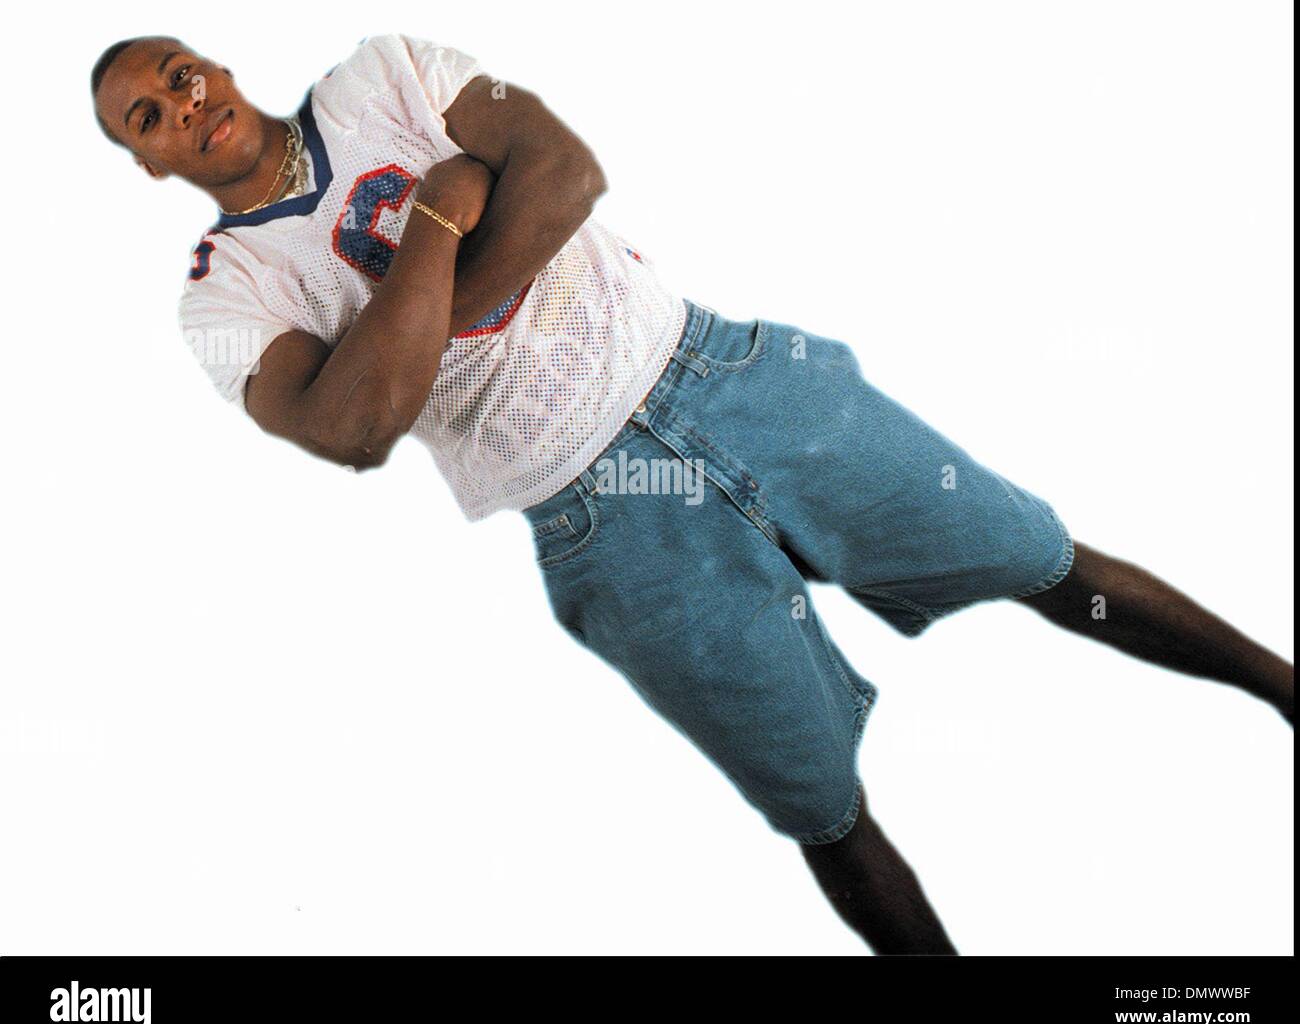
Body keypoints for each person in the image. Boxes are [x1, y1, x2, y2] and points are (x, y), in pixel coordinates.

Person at [91, 32, 1294, 955]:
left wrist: (408, 344)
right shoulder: (226, 301)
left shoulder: (381, 76)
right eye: (148, 114)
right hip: (603, 527)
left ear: (216, 67)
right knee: (820, 808)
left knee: (1041, 561)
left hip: (727, 378)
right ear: (143, 161)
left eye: (180, 73)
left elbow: (566, 173)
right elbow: (354, 431)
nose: (181, 103)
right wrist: (443, 217)